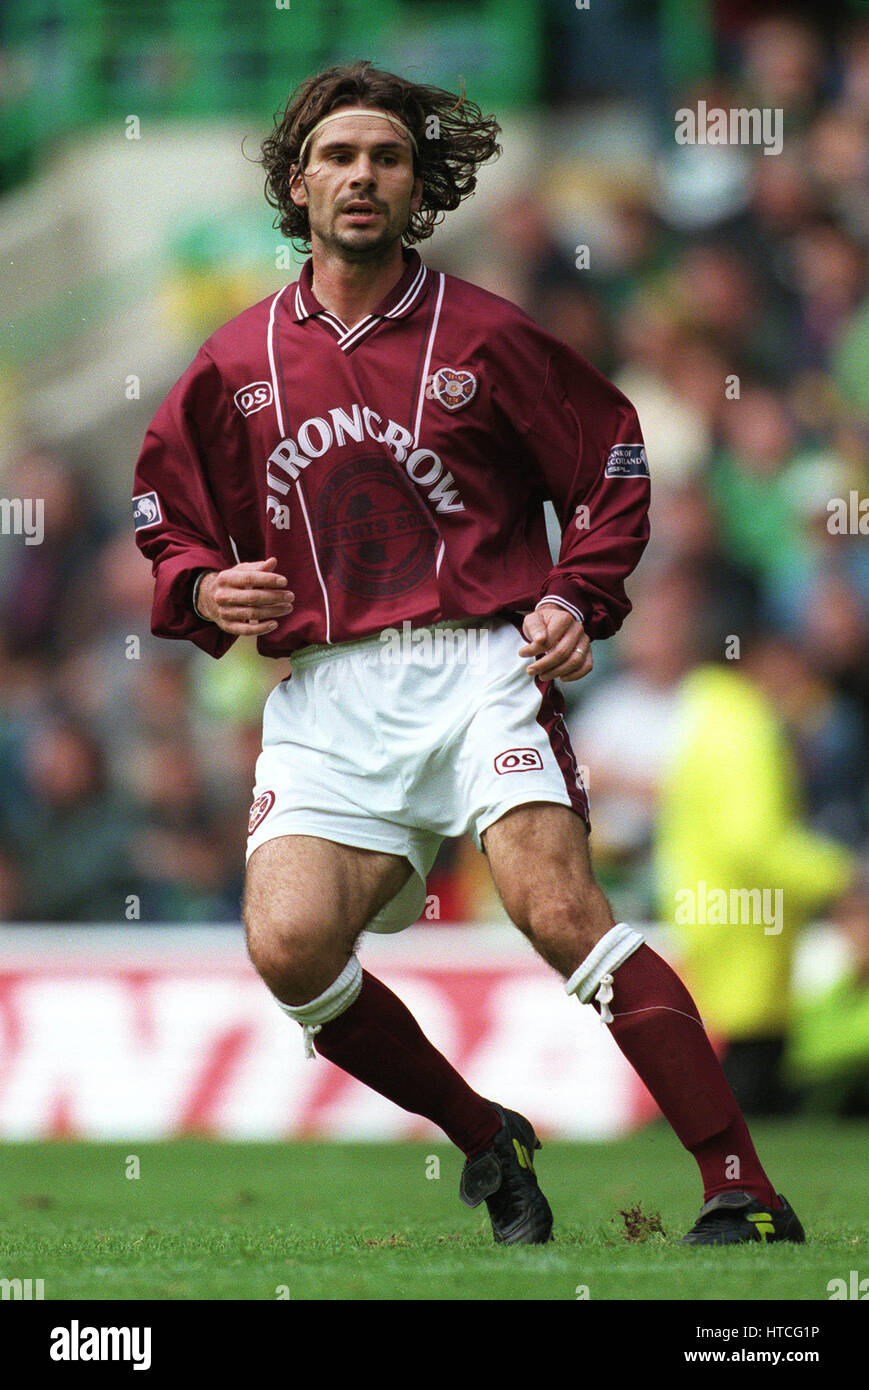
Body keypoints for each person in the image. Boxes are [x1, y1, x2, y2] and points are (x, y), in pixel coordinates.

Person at [133, 61, 803, 1246]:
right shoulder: (233, 363)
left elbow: (610, 464)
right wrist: (199, 581)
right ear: (299, 183)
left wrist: (575, 598)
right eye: (338, 157)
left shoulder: (484, 334)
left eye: (386, 158)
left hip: (477, 667)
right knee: (288, 947)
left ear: (415, 187)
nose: (361, 176)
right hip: (327, 689)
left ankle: (737, 1184)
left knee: (555, 908)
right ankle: (488, 1135)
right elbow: (164, 517)